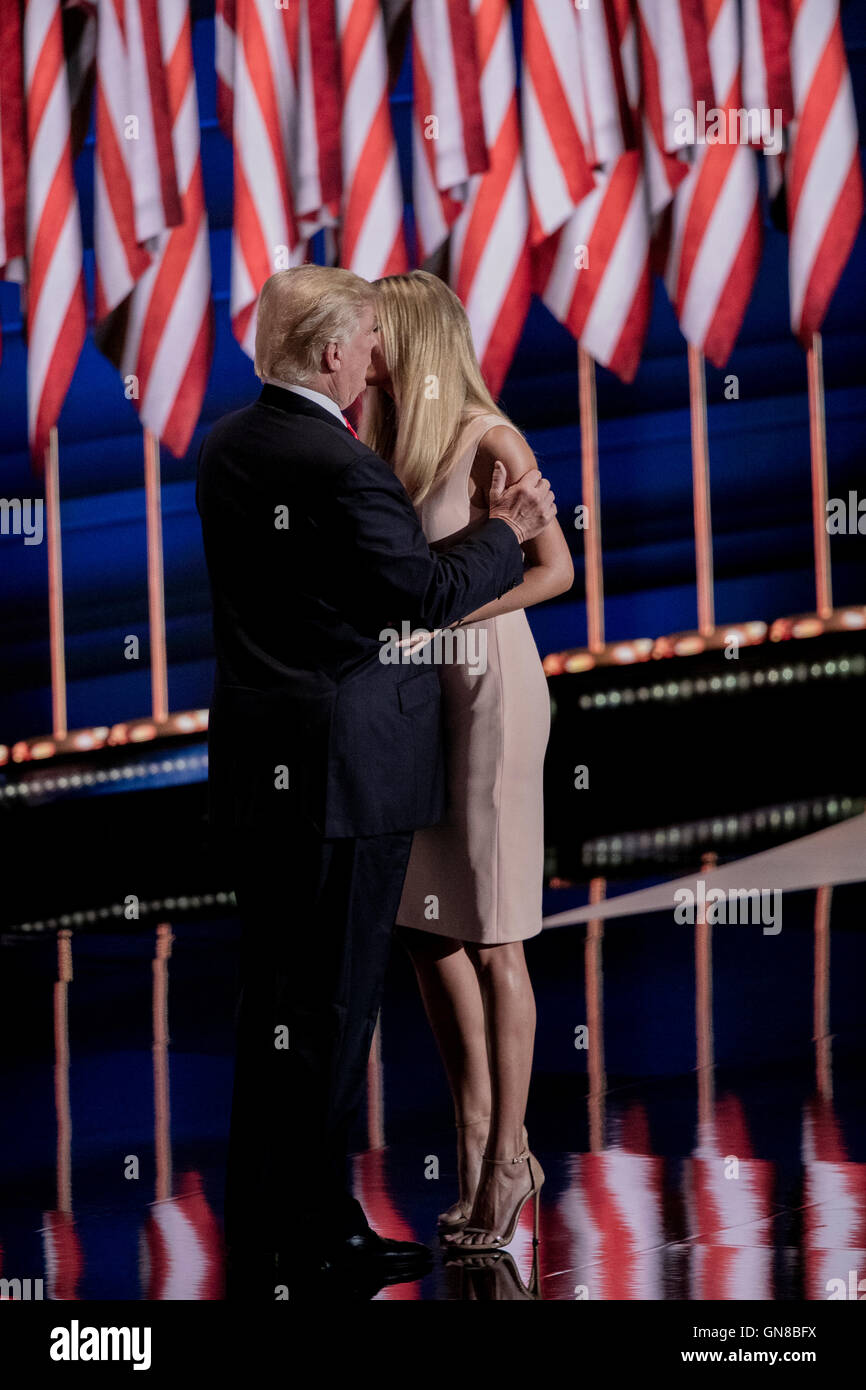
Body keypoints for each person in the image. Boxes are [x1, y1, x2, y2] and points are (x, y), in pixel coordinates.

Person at [195, 265, 558, 1292]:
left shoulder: (228, 447)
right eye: (361, 339)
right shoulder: (343, 462)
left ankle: (272, 1219)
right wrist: (509, 522)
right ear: (330, 353)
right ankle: (319, 1233)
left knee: (274, 1005)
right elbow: (420, 588)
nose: (371, 356)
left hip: (275, 766)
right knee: (332, 1010)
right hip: (347, 771)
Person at [362, 270, 574, 1252]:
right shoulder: (390, 435)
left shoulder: (492, 440)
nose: (369, 348)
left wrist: (450, 612)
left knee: (493, 938)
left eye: (382, 332)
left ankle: (506, 1165)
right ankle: (479, 1135)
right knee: (426, 928)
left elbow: (554, 569)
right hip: (418, 701)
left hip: (488, 693)